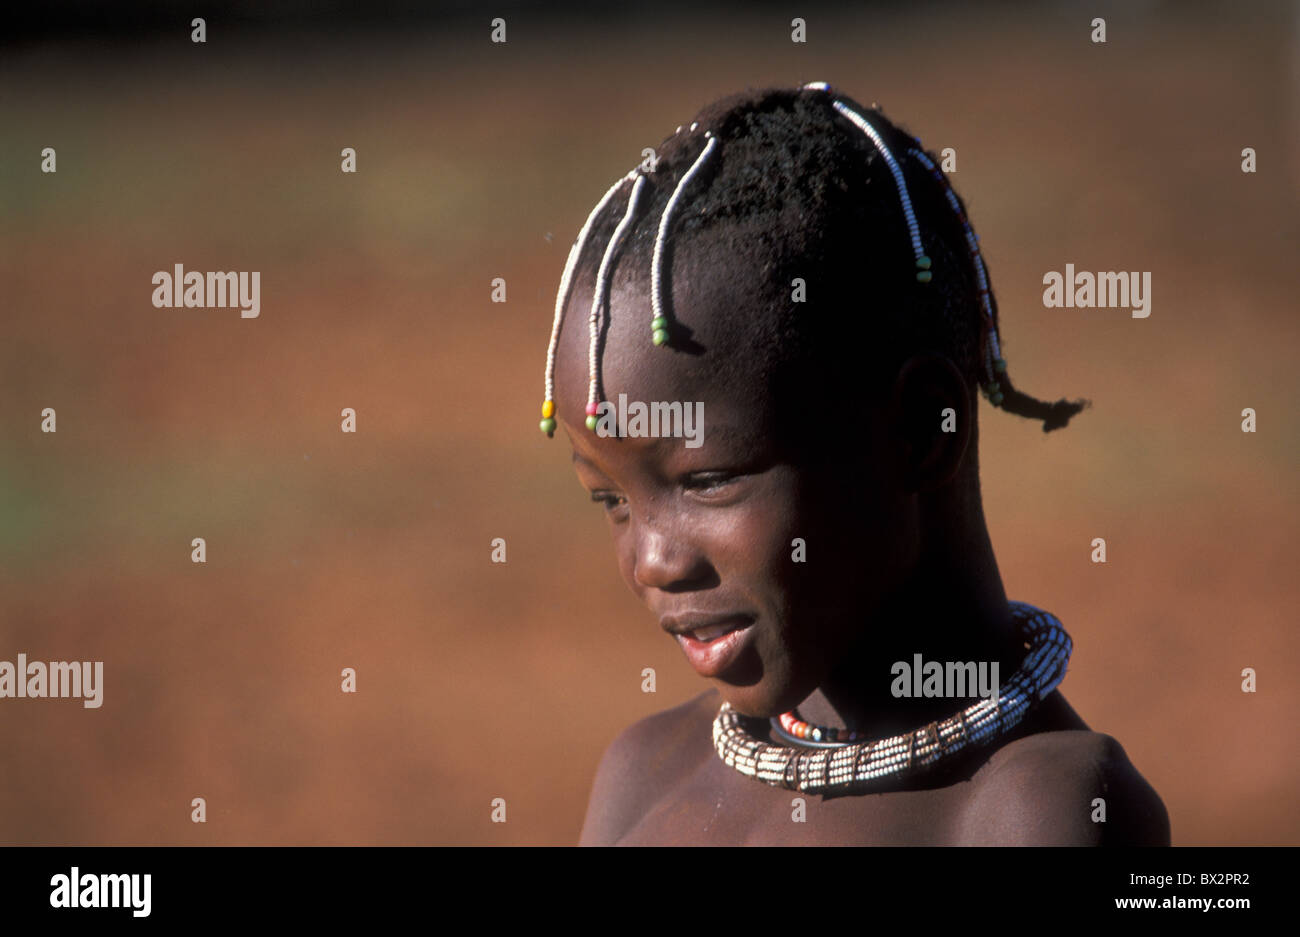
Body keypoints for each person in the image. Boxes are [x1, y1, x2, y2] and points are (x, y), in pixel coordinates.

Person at [536, 82, 1169, 845]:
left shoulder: (1040, 811)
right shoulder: (644, 774)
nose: (653, 560)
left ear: (922, 432)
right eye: (609, 499)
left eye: (706, 480)